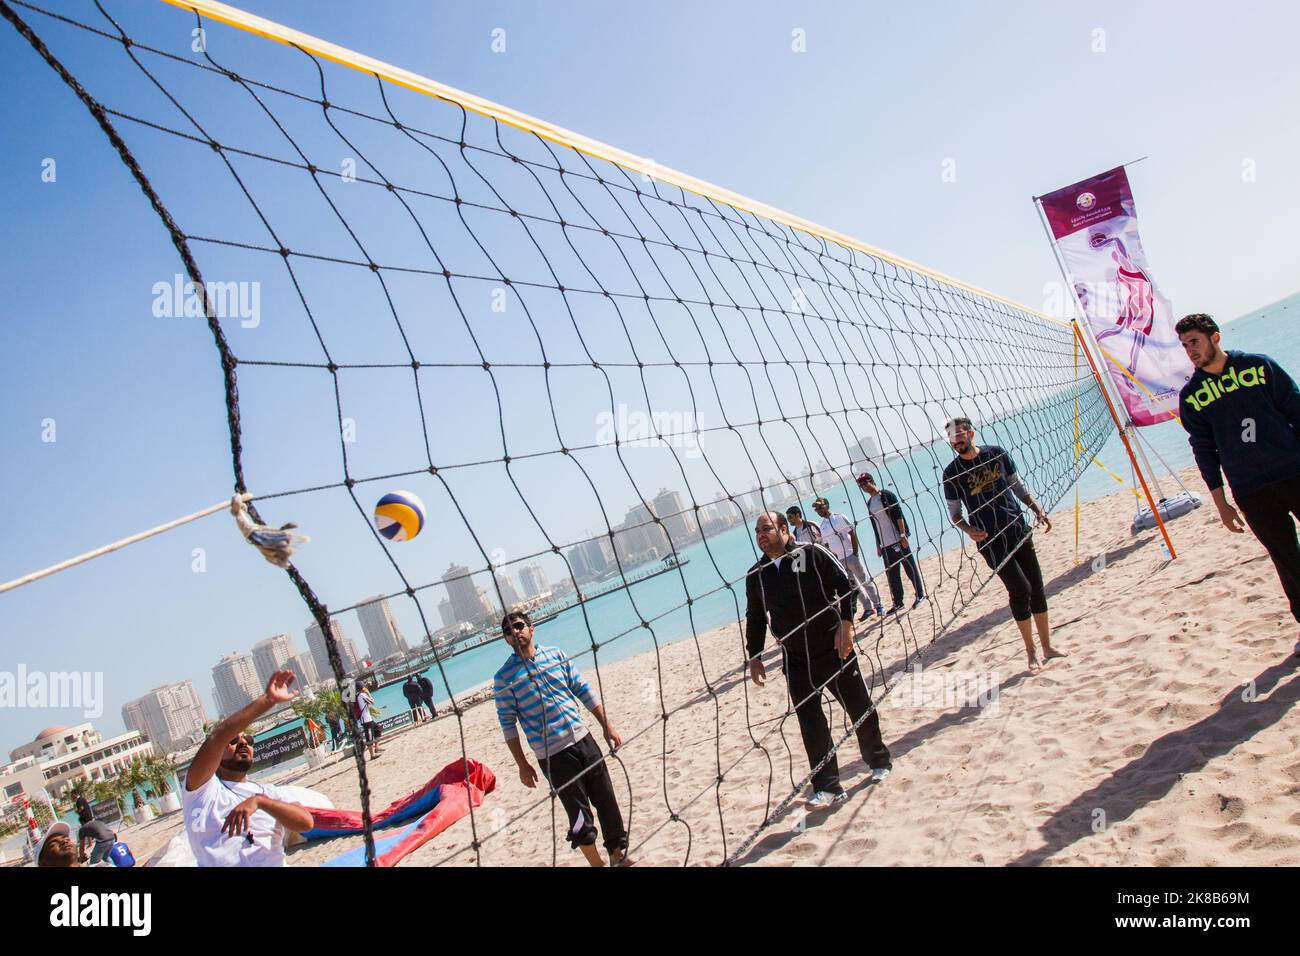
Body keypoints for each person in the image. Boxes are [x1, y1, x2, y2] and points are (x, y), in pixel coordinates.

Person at [745, 511, 892, 808]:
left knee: (858, 705)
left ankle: (879, 760)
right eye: (757, 531)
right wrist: (755, 655)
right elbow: (756, 617)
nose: (761, 534)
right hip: (796, 658)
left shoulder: (810, 553)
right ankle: (827, 786)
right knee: (810, 722)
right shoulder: (755, 575)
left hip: (833, 647)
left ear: (784, 529)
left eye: (766, 528)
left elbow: (846, 585)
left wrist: (847, 626)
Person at [1177, 313, 1300, 654]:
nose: (1190, 351)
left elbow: (1296, 409)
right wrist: (1220, 502)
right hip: (1251, 490)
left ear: (1214, 338)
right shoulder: (1192, 396)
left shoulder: (1259, 366)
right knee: (1286, 558)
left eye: (1195, 342)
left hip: (1293, 471)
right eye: (1185, 346)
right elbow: (1204, 451)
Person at [493, 610, 629, 866]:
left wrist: (606, 725)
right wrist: (522, 764)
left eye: (519, 626)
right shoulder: (504, 679)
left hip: (584, 740)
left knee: (607, 800)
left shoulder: (556, 655)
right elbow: (508, 725)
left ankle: (617, 855)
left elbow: (582, 689)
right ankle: (597, 864)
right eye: (508, 631)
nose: (515, 632)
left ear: (531, 628)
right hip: (554, 756)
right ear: (506, 640)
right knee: (578, 814)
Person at [942, 416, 1064, 670]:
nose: (956, 440)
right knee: (1019, 589)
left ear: (971, 434)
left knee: (1037, 587)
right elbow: (954, 514)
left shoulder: (996, 453)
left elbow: (1016, 486)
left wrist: (1037, 509)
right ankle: (1030, 652)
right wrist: (967, 529)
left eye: (960, 434)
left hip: (1017, 528)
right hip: (990, 540)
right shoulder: (951, 473)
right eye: (952, 438)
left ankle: (1047, 647)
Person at [181, 670, 313, 866]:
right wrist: (268, 700)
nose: (244, 743)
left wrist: (261, 802)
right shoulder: (201, 791)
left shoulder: (267, 792)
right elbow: (218, 736)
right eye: (234, 740)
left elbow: (305, 822)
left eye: (248, 740)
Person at [857, 472, 926, 613]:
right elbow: (875, 525)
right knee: (892, 575)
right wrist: (878, 545)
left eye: (865, 482)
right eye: (861, 484)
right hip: (885, 544)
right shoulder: (870, 503)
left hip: (898, 540)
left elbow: (898, 515)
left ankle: (920, 595)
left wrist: (903, 535)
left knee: (910, 568)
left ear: (872, 480)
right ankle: (898, 603)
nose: (864, 486)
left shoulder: (887, 495)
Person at [812, 496, 884, 621]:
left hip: (851, 555)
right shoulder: (822, 526)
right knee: (853, 586)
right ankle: (868, 608)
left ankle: (879, 605)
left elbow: (852, 533)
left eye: (819, 507)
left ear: (826, 506)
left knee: (864, 580)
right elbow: (827, 544)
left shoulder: (840, 517)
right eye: (816, 509)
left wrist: (855, 552)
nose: (818, 510)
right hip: (839, 560)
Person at [355, 680, 382, 759]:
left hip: (366, 719)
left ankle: (377, 747)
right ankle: (372, 755)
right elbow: (372, 702)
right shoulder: (362, 695)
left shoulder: (357, 696)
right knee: (369, 737)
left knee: (378, 729)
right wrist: (368, 692)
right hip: (366, 720)